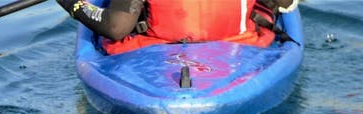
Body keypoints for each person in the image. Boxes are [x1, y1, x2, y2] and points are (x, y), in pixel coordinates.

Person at [55, 0, 299, 53]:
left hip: (156, 52)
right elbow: (286, 3)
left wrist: (70, 3)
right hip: (240, 46)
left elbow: (116, 28)